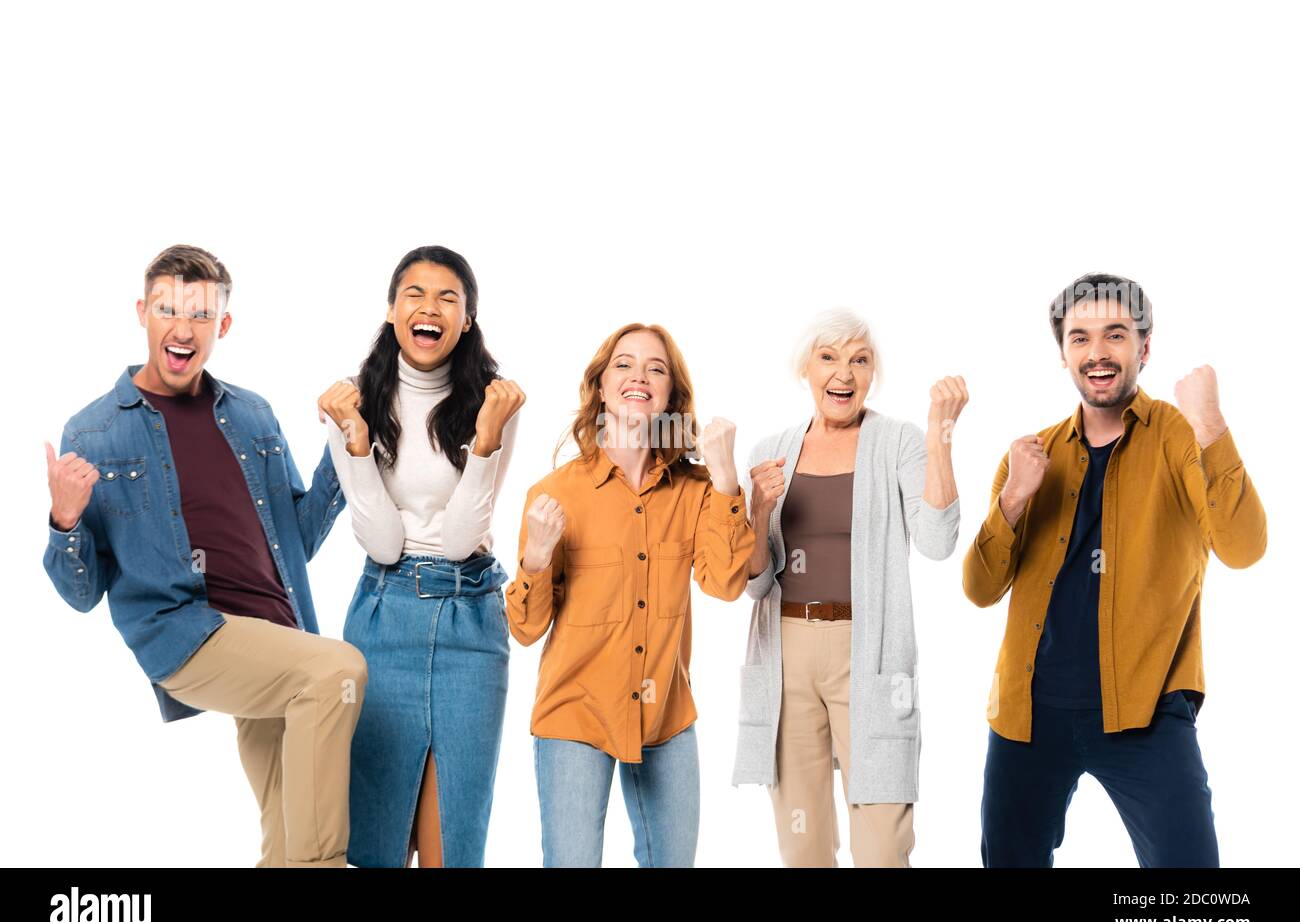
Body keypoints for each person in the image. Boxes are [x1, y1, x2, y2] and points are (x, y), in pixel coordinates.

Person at [43, 244, 364, 867]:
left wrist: (344, 449)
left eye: (200, 313)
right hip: (190, 632)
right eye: (167, 309)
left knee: (287, 829)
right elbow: (82, 594)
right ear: (143, 313)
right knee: (337, 672)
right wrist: (65, 518)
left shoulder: (251, 414)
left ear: (223, 324)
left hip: (278, 632)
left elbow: (296, 538)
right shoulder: (96, 431)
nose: (182, 327)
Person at [963, 273, 1267, 867]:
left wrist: (1210, 423)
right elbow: (978, 589)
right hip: (1031, 712)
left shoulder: (1182, 438)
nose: (1097, 353)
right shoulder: (1032, 453)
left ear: (1144, 348)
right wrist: (1013, 501)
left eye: (1115, 335)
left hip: (1148, 709)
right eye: (1080, 338)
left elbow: (1244, 547)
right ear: (1063, 354)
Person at [504, 322, 755, 867]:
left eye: (655, 368)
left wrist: (728, 477)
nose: (639, 376)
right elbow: (524, 631)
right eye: (624, 364)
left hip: (665, 715)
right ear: (600, 386)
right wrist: (535, 560)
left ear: (669, 396)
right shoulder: (553, 494)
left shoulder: (696, 490)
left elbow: (726, 583)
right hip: (576, 716)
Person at [731, 307, 966, 867]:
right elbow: (756, 582)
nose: (844, 373)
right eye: (829, 357)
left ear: (873, 372)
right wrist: (758, 510)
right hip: (787, 653)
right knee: (803, 842)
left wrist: (940, 437)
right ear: (806, 369)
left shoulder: (899, 442)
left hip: (872, 652)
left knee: (884, 845)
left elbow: (936, 541)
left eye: (860, 360)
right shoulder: (770, 451)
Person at [318, 245, 523, 868]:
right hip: (384, 615)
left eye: (447, 298)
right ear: (390, 311)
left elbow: (462, 540)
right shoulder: (352, 402)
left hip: (471, 619)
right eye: (415, 294)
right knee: (377, 842)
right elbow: (381, 542)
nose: (429, 308)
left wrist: (485, 442)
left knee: (452, 842)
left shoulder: (494, 402)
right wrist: (356, 445)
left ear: (467, 320)